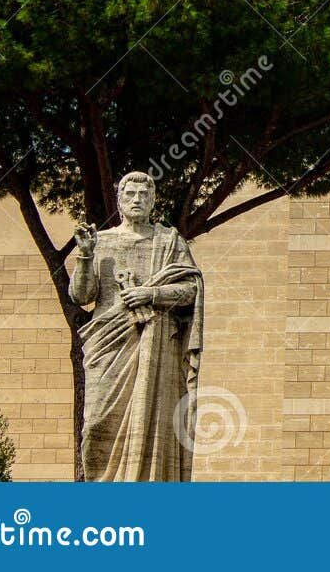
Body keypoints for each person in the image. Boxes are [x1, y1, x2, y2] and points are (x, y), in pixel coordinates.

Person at [70, 171, 204, 481]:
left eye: (144, 195)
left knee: (152, 424)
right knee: (95, 424)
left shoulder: (169, 242)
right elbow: (82, 295)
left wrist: (151, 294)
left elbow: (190, 290)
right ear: (119, 201)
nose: (137, 200)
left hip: (157, 345)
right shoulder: (100, 242)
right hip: (107, 345)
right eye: (130, 194)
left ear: (154, 201)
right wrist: (85, 254)